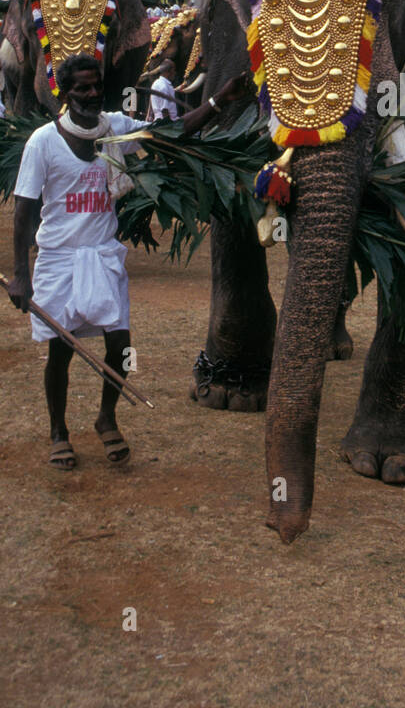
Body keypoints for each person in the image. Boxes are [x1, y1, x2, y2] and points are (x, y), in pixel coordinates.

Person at [7, 54, 248, 469]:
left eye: (96, 85)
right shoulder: (42, 142)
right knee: (61, 350)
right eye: (81, 88)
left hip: (102, 256)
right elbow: (24, 211)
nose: (91, 93)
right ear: (66, 93)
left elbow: (170, 132)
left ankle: (106, 418)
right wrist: (19, 278)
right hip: (57, 261)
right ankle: (58, 432)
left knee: (120, 344)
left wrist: (219, 101)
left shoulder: (117, 127)